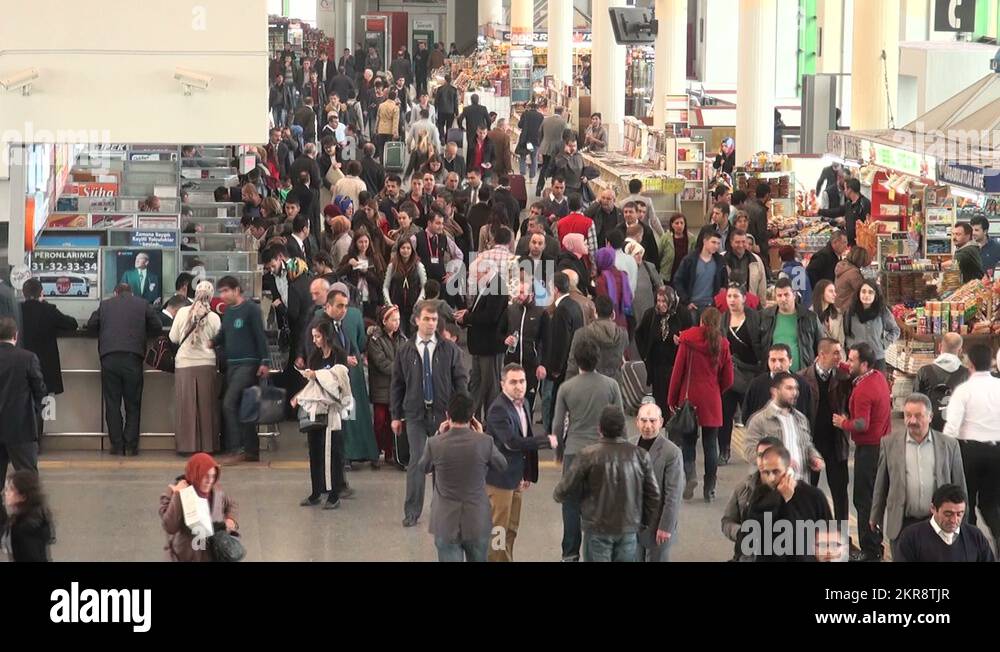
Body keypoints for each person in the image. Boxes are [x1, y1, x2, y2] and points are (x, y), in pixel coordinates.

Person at [391, 301, 469, 528]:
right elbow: (397, 384)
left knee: (441, 463)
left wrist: (462, 414)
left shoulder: (450, 349)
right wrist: (396, 415)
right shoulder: (405, 350)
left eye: (434, 319)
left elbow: (461, 382)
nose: (431, 323)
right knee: (417, 461)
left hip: (442, 414)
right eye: (426, 318)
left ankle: (441, 510)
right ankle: (412, 512)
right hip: (414, 413)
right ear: (416, 320)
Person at [553, 406, 660, 563]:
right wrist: (642, 521)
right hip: (628, 528)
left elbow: (562, 490)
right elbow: (654, 495)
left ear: (600, 429)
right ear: (624, 428)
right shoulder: (640, 455)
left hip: (597, 528)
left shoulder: (588, 455)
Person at [869, 393, 967, 560]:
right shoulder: (889, 443)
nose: (912, 421)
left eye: (918, 416)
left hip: (937, 522)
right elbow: (881, 484)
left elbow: (960, 486)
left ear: (930, 417)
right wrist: (875, 515)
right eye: (908, 415)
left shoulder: (949, 445)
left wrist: (963, 522)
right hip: (902, 523)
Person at [551, 339, 623, 561]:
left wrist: (560, 453)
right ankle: (597, 551)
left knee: (570, 504)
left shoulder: (566, 387)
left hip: (574, 452)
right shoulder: (611, 385)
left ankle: (570, 553)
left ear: (577, 360)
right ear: (597, 359)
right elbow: (619, 420)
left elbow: (557, 425)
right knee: (601, 503)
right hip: (603, 453)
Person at [418, 393, 506, 562]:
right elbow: (501, 465)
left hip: (445, 522)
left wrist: (438, 434)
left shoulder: (435, 443)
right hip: (477, 520)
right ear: (472, 417)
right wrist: (482, 434)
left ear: (447, 416)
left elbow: (423, 467)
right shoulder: (484, 442)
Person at [484, 364, 557, 562]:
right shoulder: (498, 409)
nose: (518, 386)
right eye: (513, 382)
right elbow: (512, 442)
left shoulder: (523, 403)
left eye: (522, 381)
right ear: (502, 384)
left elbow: (525, 438)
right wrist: (546, 440)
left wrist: (526, 473)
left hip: (515, 478)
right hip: (500, 481)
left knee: (511, 528)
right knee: (498, 531)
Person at [668, 307, 734, 503]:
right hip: (712, 398)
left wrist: (672, 399)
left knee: (688, 441)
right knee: (710, 443)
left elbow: (677, 372)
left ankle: (690, 476)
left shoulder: (687, 341)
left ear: (701, 322)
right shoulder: (723, 344)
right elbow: (729, 378)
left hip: (689, 398)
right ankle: (710, 488)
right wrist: (716, 390)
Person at [833, 342, 892, 561]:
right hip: (881, 446)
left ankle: (870, 548)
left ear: (864, 364)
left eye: (851, 360)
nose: (848, 363)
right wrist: (836, 360)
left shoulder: (864, 390)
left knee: (863, 500)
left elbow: (862, 424)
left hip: (869, 450)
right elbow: (850, 369)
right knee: (874, 497)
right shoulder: (877, 376)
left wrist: (843, 423)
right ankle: (875, 546)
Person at [86, 284, 161, 456]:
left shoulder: (105, 305)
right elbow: (156, 326)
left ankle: (117, 445)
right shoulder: (142, 304)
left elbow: (91, 326)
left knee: (112, 403)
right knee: (133, 404)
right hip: (132, 357)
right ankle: (131, 446)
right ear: (132, 293)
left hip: (109, 357)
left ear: (115, 293)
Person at [942, 343, 1000, 553]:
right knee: (992, 504)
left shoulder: (964, 390)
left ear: (970, 364)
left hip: (969, 453)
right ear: (991, 363)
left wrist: (943, 453)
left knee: (965, 502)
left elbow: (952, 426)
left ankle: (970, 548)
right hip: (997, 452)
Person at [294, 320, 352, 509]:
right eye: (313, 337)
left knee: (334, 452)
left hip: (333, 410)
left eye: (318, 336)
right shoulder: (315, 356)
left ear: (326, 336)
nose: (315, 340)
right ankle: (316, 491)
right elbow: (313, 381)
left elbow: (340, 380)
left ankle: (334, 493)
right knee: (315, 450)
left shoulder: (339, 355)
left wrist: (317, 375)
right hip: (317, 409)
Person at [743, 444, 835, 562]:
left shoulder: (814, 496)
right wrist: (782, 498)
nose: (771, 478)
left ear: (788, 470)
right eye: (766, 472)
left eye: (776, 472)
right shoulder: (759, 496)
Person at [213, 277, 270, 463]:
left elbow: (260, 336)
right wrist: (212, 342)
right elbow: (223, 334)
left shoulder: (251, 310)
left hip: (248, 365)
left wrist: (265, 361)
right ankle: (251, 450)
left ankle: (238, 449)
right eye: (220, 292)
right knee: (244, 407)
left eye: (225, 291)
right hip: (232, 364)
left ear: (237, 290)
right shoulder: (228, 312)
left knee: (229, 403)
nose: (222, 295)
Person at [799, 338, 852, 521]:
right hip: (811, 444)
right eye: (836, 352)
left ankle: (842, 536)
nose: (840, 357)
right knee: (808, 491)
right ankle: (808, 534)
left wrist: (847, 416)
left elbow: (851, 405)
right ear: (822, 354)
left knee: (840, 492)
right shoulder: (802, 378)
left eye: (840, 352)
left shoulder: (845, 378)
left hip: (836, 443)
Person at [169, 281, 222, 455]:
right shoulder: (214, 317)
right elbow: (218, 341)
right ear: (211, 295)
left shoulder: (183, 312)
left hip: (184, 364)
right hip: (207, 364)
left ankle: (186, 446)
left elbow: (174, 337)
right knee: (207, 407)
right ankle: (208, 446)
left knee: (186, 406)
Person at [742, 372, 825, 478]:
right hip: (772, 485)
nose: (795, 393)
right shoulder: (759, 420)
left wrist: (814, 457)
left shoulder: (801, 419)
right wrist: (780, 461)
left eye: (796, 388)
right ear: (775, 392)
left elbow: (807, 445)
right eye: (789, 388)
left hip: (800, 483)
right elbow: (750, 451)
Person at [159, 453, 239, 562]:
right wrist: (178, 496)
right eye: (205, 476)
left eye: (213, 476)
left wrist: (230, 519)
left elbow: (231, 504)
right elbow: (170, 527)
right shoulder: (174, 493)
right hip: (184, 556)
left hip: (212, 555)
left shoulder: (216, 492)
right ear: (196, 474)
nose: (209, 481)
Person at [0, 317, 45, 498]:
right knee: (28, 480)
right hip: (21, 428)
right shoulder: (27, 358)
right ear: (16, 335)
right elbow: (40, 391)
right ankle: (30, 520)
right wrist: (33, 414)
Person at [893, 484, 995, 562]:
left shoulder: (975, 536)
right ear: (933, 509)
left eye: (959, 514)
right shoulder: (911, 537)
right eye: (948, 514)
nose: (954, 520)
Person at [719, 284, 763, 465]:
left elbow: (760, 344)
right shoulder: (723, 319)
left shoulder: (754, 317)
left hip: (750, 373)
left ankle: (756, 451)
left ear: (744, 298)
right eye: (729, 296)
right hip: (729, 374)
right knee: (725, 415)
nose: (732, 300)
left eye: (736, 296)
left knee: (751, 417)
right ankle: (724, 450)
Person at [634, 403, 683, 562]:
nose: (648, 426)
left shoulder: (672, 452)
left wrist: (666, 526)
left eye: (653, 421)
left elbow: (673, 494)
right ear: (637, 422)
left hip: (657, 526)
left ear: (661, 422)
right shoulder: (628, 446)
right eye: (644, 420)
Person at [540, 272, 586, 434]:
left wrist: (555, 368)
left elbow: (561, 341)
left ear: (556, 289)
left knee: (556, 403)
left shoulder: (562, 310)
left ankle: (555, 434)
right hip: (574, 363)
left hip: (562, 367)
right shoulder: (575, 305)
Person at [636, 286, 693, 419]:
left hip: (675, 364)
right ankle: (661, 422)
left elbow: (691, 335)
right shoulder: (651, 314)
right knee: (659, 398)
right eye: (658, 301)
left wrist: (682, 340)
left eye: (664, 301)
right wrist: (645, 354)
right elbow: (639, 334)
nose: (661, 305)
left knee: (674, 397)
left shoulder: (682, 314)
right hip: (657, 365)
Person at [18, 278, 77, 401]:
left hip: (21, 367)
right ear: (42, 293)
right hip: (44, 369)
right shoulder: (49, 310)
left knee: (23, 408)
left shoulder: (18, 310)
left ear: (24, 293)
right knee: (40, 409)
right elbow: (72, 324)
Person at [368, 306, 406, 468]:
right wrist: (401, 370)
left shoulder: (402, 339)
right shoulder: (375, 340)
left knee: (393, 421)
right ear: (384, 321)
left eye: (398, 319)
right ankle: (375, 452)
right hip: (381, 387)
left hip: (397, 388)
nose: (397, 323)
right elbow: (381, 362)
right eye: (393, 320)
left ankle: (391, 453)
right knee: (379, 421)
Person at [741, 343, 813, 427]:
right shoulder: (756, 384)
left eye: (781, 360)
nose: (777, 365)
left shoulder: (802, 384)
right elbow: (746, 415)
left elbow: (809, 415)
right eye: (773, 360)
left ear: (790, 361)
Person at [760, 277, 822, 372]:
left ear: (794, 295)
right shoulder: (765, 316)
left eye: (786, 294)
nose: (783, 299)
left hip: (803, 373)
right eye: (779, 295)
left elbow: (820, 345)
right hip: (773, 374)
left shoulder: (810, 317)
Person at [672, 225, 728, 323]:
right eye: (713, 242)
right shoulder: (690, 260)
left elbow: (724, 281)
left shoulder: (720, 261)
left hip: (711, 306)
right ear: (705, 241)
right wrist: (686, 301)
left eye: (718, 243)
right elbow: (677, 281)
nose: (716, 246)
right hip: (692, 306)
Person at [566, 295, 628, 381]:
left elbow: (573, 364)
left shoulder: (582, 334)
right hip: (614, 384)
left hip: (589, 385)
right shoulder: (623, 334)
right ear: (613, 314)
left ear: (595, 312)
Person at [843, 280, 900, 373]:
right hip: (857, 361)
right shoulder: (850, 312)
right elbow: (845, 333)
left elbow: (895, 330)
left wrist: (883, 343)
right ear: (858, 293)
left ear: (876, 295)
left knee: (877, 386)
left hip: (877, 358)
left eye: (870, 292)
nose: (866, 295)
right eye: (863, 291)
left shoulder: (882, 311)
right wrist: (852, 345)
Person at [915, 332, 969, 432]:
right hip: (957, 431)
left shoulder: (924, 371)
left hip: (929, 429)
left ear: (940, 347)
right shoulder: (967, 374)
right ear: (960, 351)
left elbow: (915, 402)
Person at [2, 470, 53, 562]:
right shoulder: (36, 517)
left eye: (10, 489)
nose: (5, 493)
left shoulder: (23, 528)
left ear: (23, 497)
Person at [383, 239, 426, 337]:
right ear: (399, 250)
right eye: (403, 248)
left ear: (412, 250)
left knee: (414, 335)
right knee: (400, 334)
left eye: (408, 248)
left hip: (414, 307)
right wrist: (389, 304)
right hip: (397, 308)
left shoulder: (419, 266)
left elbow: (424, 286)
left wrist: (419, 302)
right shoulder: (392, 266)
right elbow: (385, 286)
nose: (405, 250)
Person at [818, 178, 870, 246]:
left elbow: (867, 224)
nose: (844, 191)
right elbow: (836, 211)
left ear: (850, 190)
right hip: (849, 243)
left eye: (845, 189)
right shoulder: (849, 204)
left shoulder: (864, 203)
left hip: (860, 244)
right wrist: (820, 211)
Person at [593, 247, 632, 331]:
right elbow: (629, 296)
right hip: (622, 319)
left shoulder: (601, 280)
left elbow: (602, 303)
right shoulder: (623, 275)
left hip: (607, 323)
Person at [723, 229, 767, 301]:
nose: (741, 245)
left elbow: (762, 285)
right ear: (731, 243)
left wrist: (762, 306)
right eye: (737, 242)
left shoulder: (756, 260)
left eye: (743, 242)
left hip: (750, 303)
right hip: (729, 303)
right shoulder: (722, 259)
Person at [536, 106, 568, 196]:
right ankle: (554, 189)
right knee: (556, 169)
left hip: (545, 147)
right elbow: (566, 136)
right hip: (557, 150)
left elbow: (539, 133)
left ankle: (539, 188)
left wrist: (541, 143)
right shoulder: (563, 122)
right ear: (562, 112)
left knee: (544, 168)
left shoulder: (545, 120)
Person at [834, 245, 870, 313]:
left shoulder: (841, 265)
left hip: (838, 305)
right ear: (861, 260)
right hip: (847, 309)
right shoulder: (853, 273)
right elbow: (862, 290)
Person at [744, 183, 772, 267]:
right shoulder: (761, 210)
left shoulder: (748, 205)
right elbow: (762, 233)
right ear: (767, 195)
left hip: (748, 243)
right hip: (758, 248)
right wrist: (772, 233)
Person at [811, 279, 845, 346]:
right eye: (830, 291)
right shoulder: (810, 314)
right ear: (821, 293)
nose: (834, 294)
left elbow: (841, 340)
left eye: (834, 291)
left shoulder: (838, 314)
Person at [516, 101, 544, 181]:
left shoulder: (525, 114)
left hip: (526, 141)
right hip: (535, 141)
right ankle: (532, 177)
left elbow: (520, 125)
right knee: (534, 158)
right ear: (537, 108)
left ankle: (523, 175)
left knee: (523, 157)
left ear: (530, 107)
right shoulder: (540, 116)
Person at [659, 213, 690, 284]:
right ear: (672, 225)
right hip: (668, 275)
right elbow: (659, 255)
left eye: (682, 223)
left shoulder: (691, 239)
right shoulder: (665, 238)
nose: (679, 225)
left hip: (684, 275)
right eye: (677, 223)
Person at [375, 89, 401, 159]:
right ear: (395, 98)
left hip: (381, 129)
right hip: (390, 131)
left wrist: (376, 129)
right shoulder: (395, 108)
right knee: (388, 149)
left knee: (381, 148)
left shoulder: (381, 105)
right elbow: (395, 121)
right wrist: (395, 133)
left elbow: (378, 118)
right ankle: (387, 162)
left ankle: (381, 162)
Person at [433, 74, 459, 142]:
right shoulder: (454, 90)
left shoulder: (440, 89)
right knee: (449, 126)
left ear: (445, 80)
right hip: (451, 111)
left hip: (441, 110)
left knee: (440, 124)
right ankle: (447, 137)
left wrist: (434, 109)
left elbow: (436, 100)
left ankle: (442, 137)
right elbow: (456, 102)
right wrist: (456, 112)